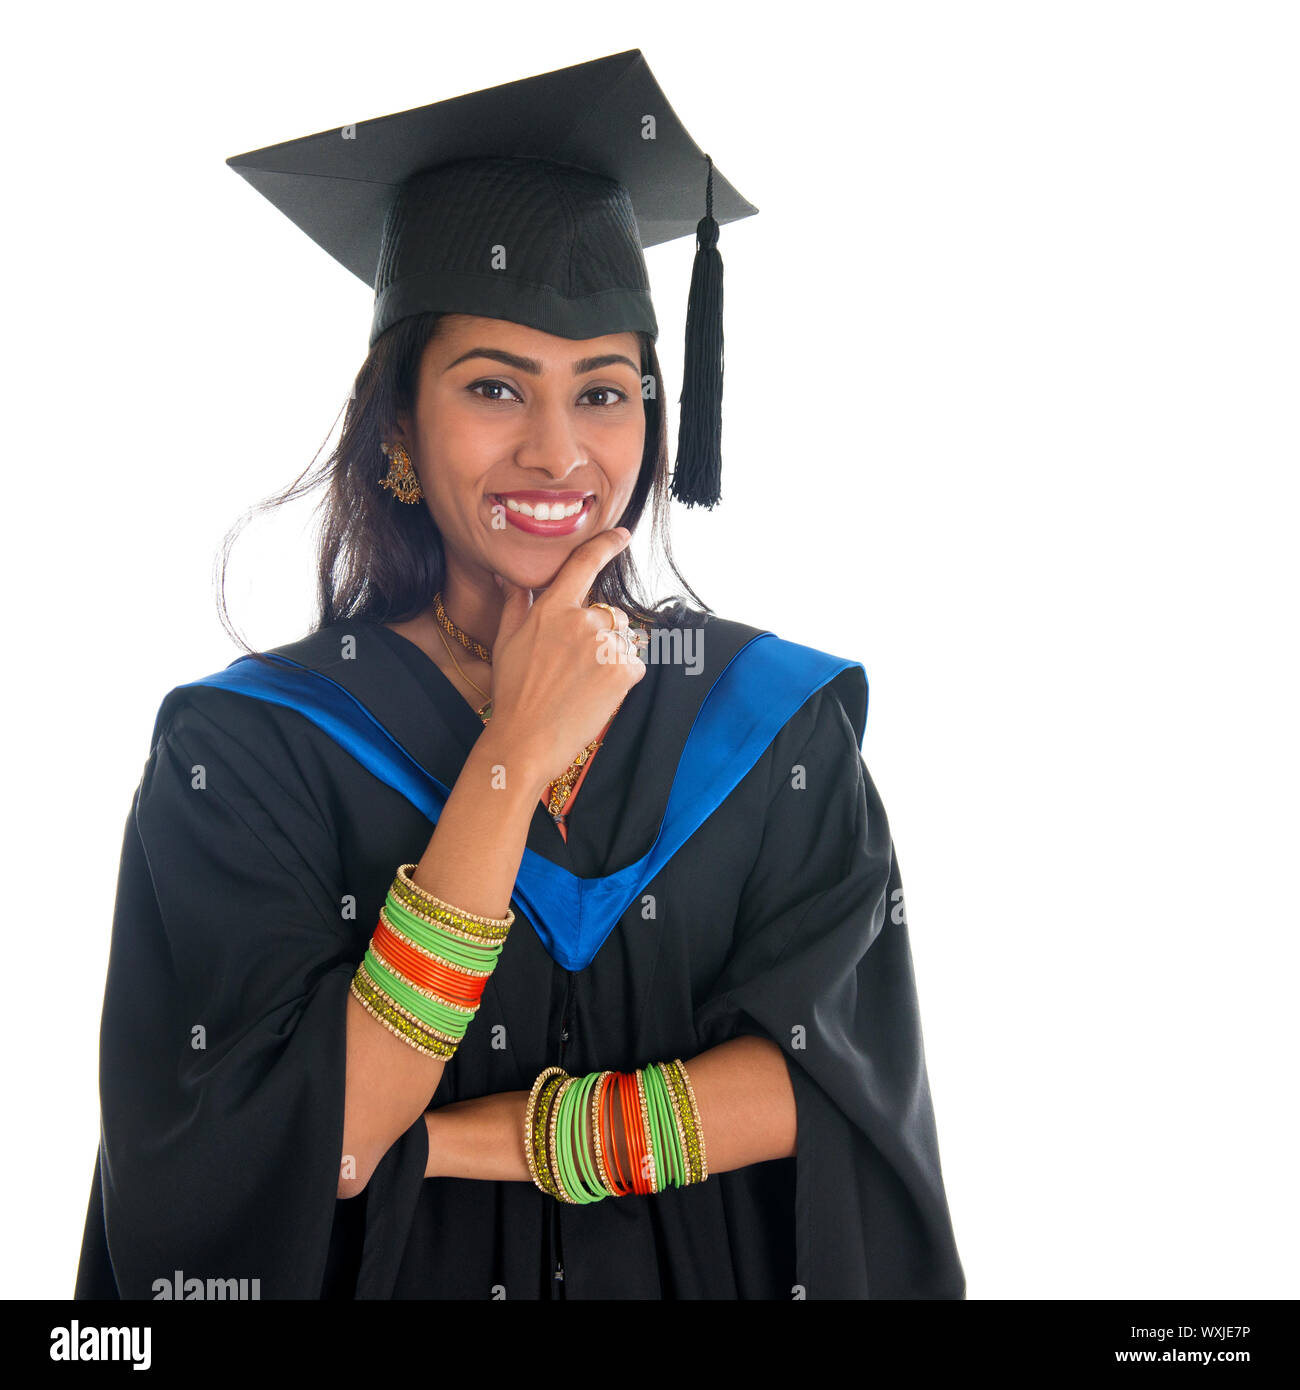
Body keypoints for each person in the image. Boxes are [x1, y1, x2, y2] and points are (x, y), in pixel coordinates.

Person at [74, 49, 965, 1300]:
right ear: (397, 426)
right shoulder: (252, 755)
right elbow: (278, 1153)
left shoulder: (771, 725)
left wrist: (467, 1140)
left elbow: (828, 1087)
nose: (557, 450)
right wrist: (510, 758)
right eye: (494, 387)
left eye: (603, 390)